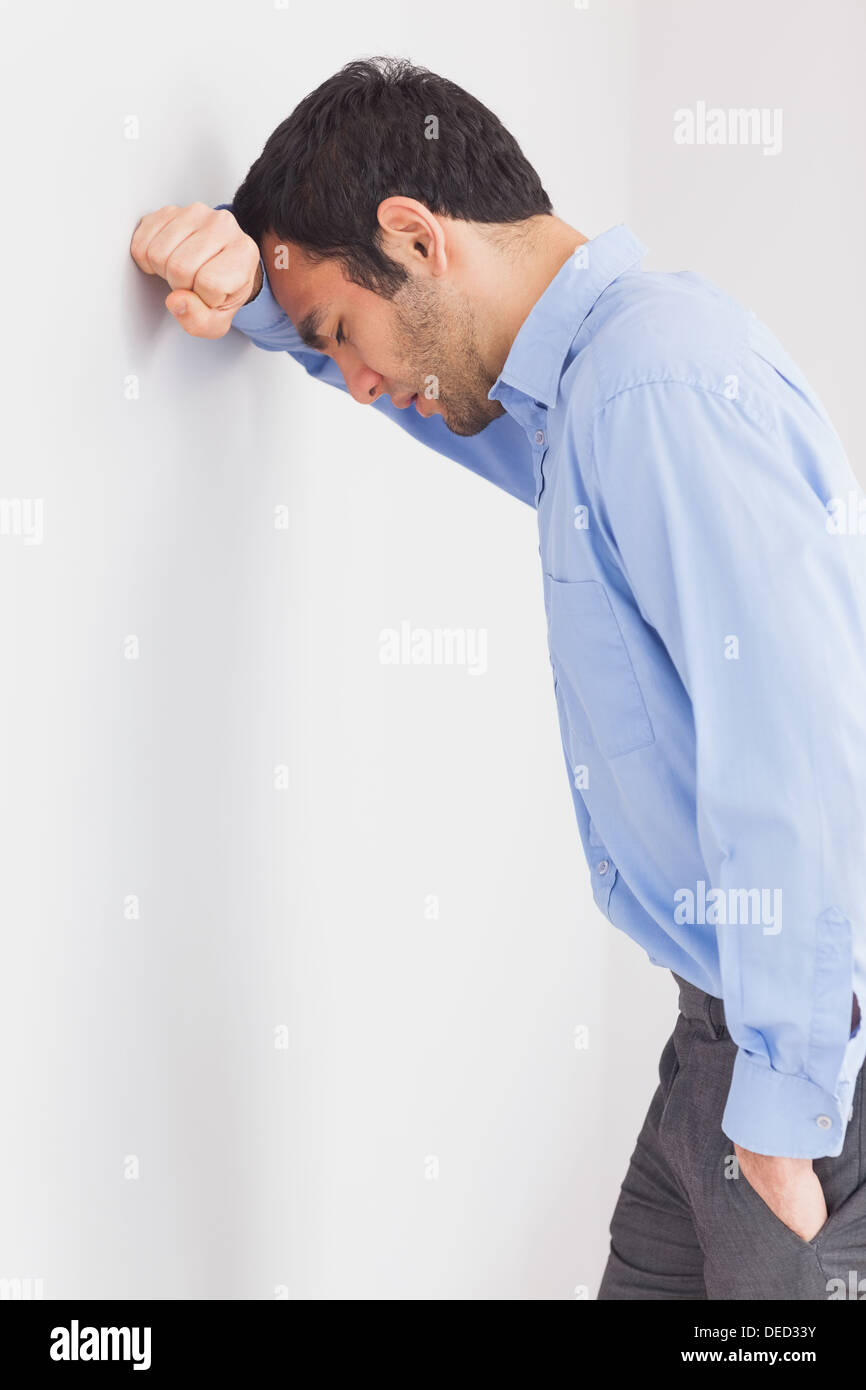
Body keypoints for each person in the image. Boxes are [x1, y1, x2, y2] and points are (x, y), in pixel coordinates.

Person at [130, 56, 866, 1300]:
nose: (357, 380)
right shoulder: (588, 388)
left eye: (341, 336)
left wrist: (785, 1107)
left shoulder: (653, 386)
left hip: (803, 1054)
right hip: (721, 1034)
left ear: (414, 237)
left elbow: (799, 743)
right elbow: (441, 395)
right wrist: (262, 289)